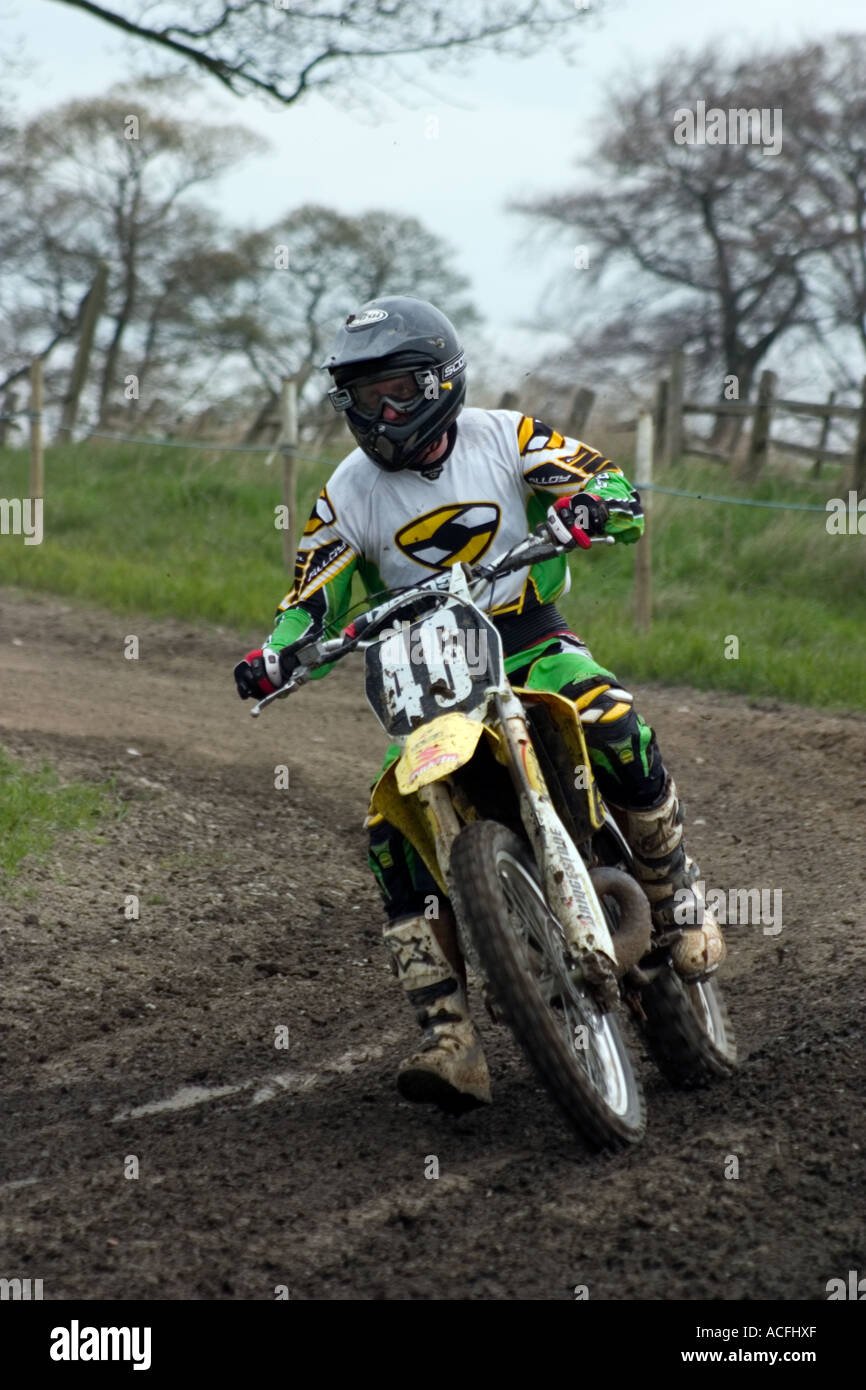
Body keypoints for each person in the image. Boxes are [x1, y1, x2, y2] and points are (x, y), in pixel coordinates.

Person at [234, 295, 725, 1114]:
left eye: (397, 390)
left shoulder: (510, 436)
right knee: (390, 824)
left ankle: (674, 898)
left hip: (528, 639)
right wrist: (276, 651)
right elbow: (310, 595)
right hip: (428, 673)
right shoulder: (346, 491)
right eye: (364, 397)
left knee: (612, 719)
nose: (383, 412)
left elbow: (609, 483)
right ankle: (450, 1037)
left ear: (441, 381)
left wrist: (594, 505)